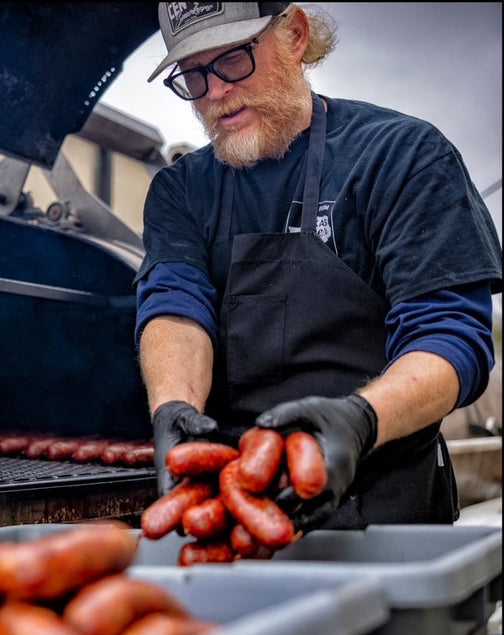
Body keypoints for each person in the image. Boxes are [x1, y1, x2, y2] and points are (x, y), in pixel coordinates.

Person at [134, 2, 502, 531]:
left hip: (388, 509)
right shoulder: (182, 191)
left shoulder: (402, 157)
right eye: (192, 74)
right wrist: (173, 408)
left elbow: (450, 336)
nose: (213, 91)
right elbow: (176, 308)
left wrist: (358, 421)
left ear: (296, 36)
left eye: (233, 60)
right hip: (237, 508)